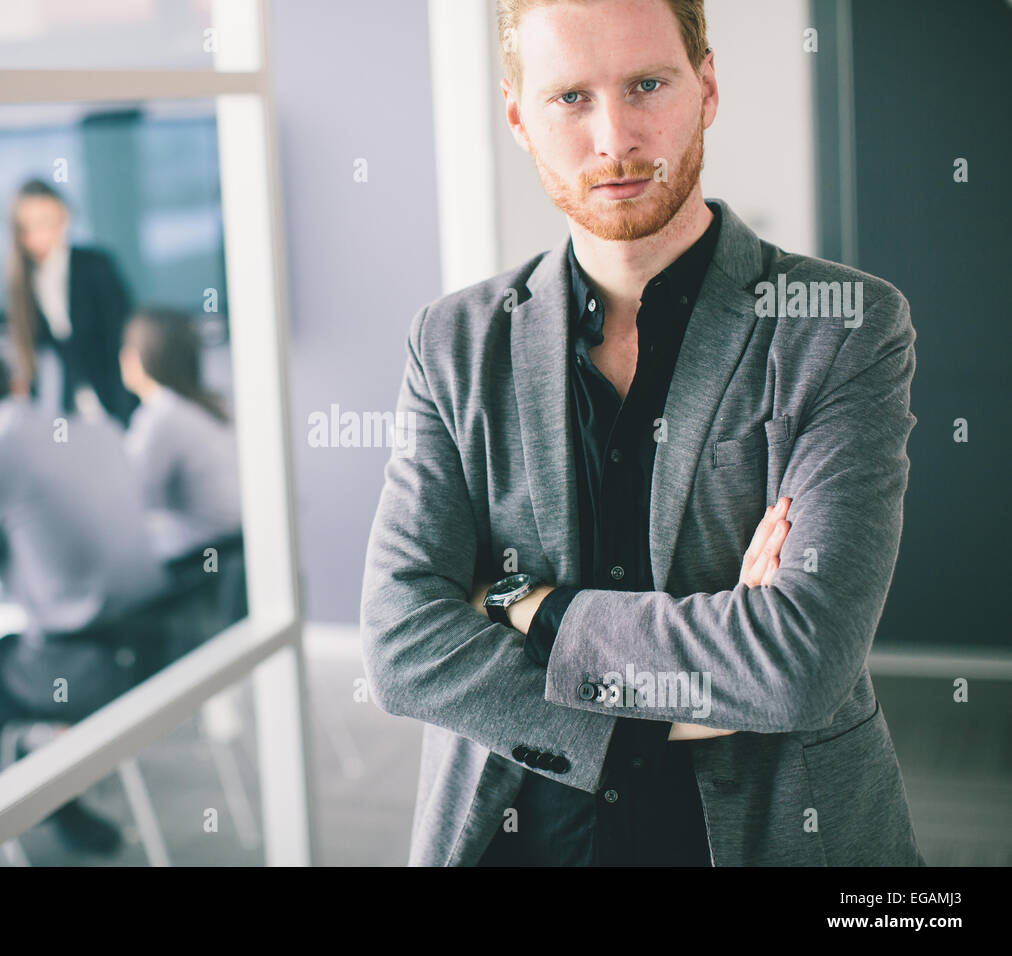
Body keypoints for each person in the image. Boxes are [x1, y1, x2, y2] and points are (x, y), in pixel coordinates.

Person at [360, 0, 924, 867]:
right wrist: (703, 694)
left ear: (705, 86)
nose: (614, 137)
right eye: (570, 98)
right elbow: (403, 645)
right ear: (518, 114)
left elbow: (803, 660)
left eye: (647, 84)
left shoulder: (843, 327)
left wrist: (521, 605)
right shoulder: (454, 342)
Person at [0, 349, 169, 854]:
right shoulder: (98, 432)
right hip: (153, 646)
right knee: (13, 655)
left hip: (82, 668)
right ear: (18, 385)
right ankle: (64, 811)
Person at [4, 179, 138, 428]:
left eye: (55, 220)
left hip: (112, 395)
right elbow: (32, 355)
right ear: (21, 232)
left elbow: (123, 337)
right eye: (36, 224)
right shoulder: (20, 281)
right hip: (62, 405)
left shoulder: (95, 264)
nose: (50, 232)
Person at [118, 308, 242, 562]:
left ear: (138, 358)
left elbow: (130, 501)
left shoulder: (160, 416)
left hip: (204, 562)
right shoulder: (218, 403)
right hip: (236, 550)